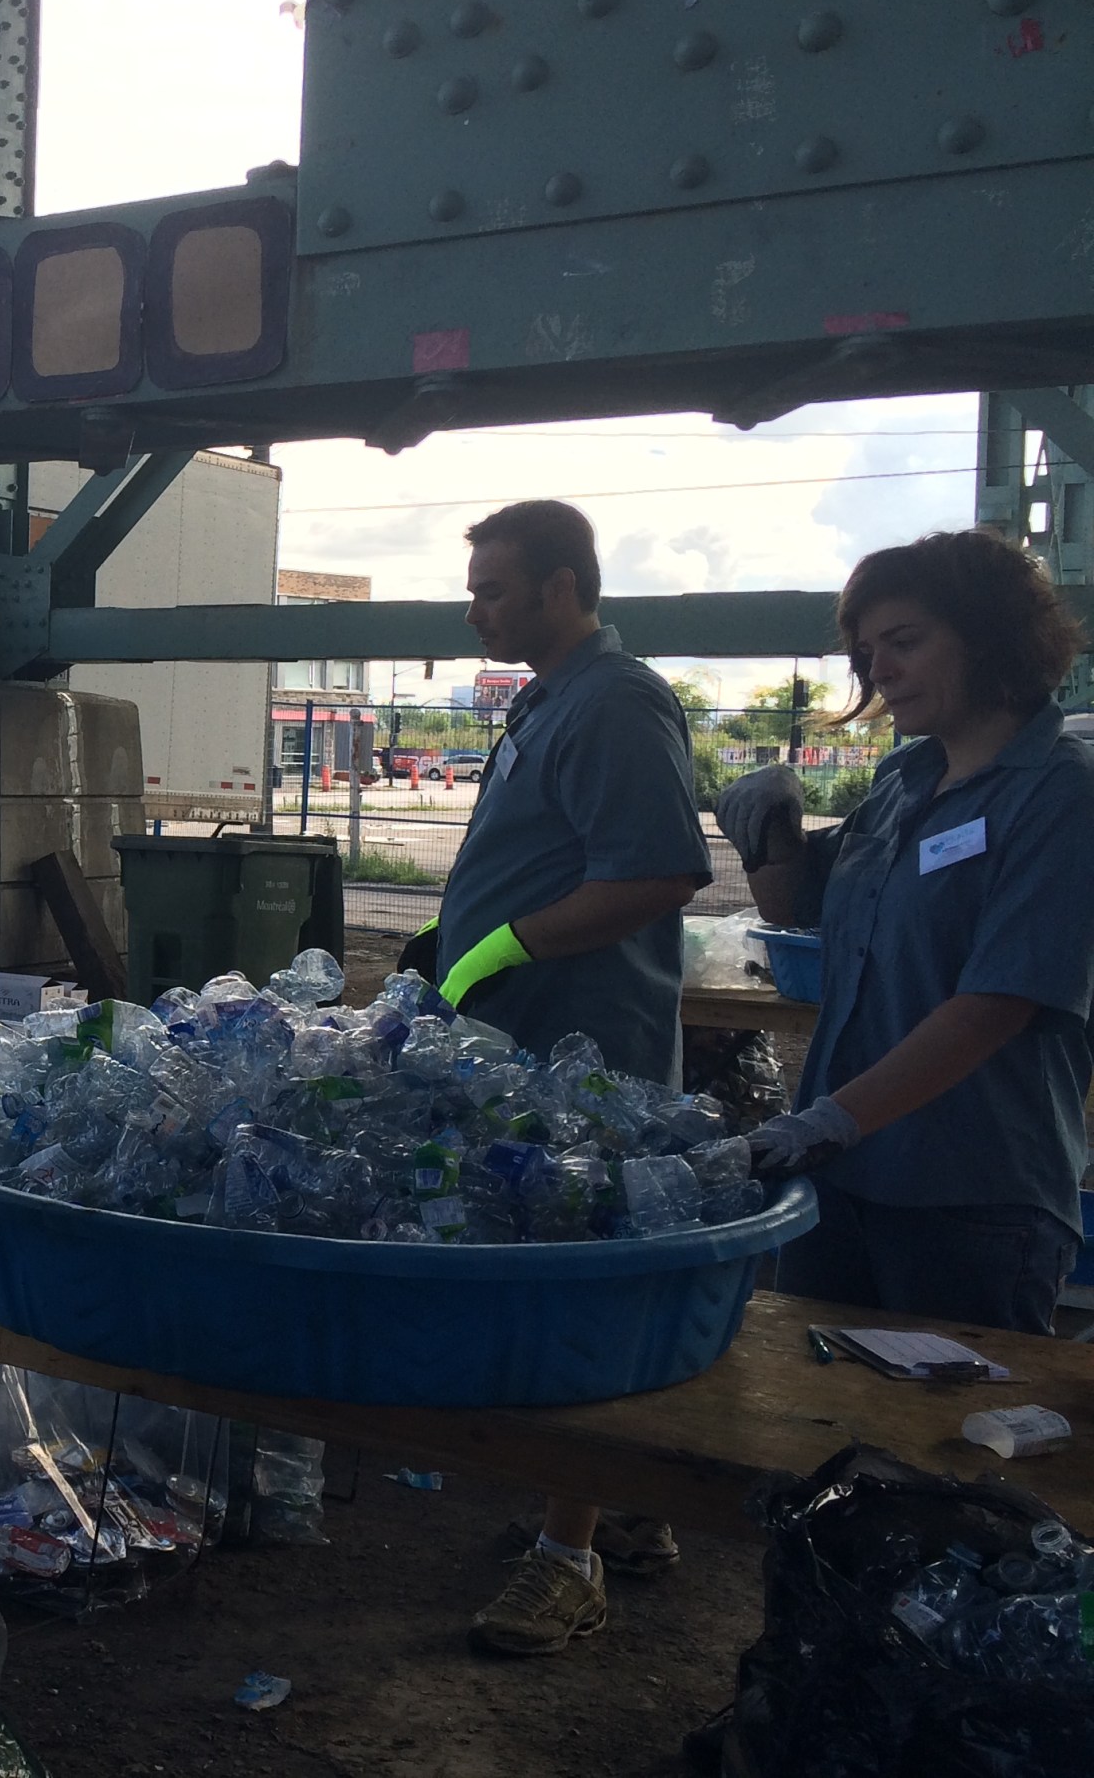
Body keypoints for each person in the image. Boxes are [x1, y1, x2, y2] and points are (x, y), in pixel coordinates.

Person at [425, 501, 715, 1658]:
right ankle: (625, 1504)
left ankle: (567, 1559)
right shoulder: (548, 700)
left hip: (586, 1054)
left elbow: (655, 873)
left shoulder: (613, 700)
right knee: (555, 1272)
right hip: (532, 1042)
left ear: (560, 588)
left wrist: (505, 948)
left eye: (493, 588)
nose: (474, 606)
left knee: (577, 1287)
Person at [718, 529, 1093, 1328]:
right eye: (866, 651)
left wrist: (827, 1120)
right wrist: (769, 831)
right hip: (842, 1177)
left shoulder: (1062, 798)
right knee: (819, 1426)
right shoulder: (902, 782)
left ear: (991, 636)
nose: (879, 670)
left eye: (904, 642)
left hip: (969, 1192)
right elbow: (797, 908)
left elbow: (999, 999)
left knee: (948, 1439)